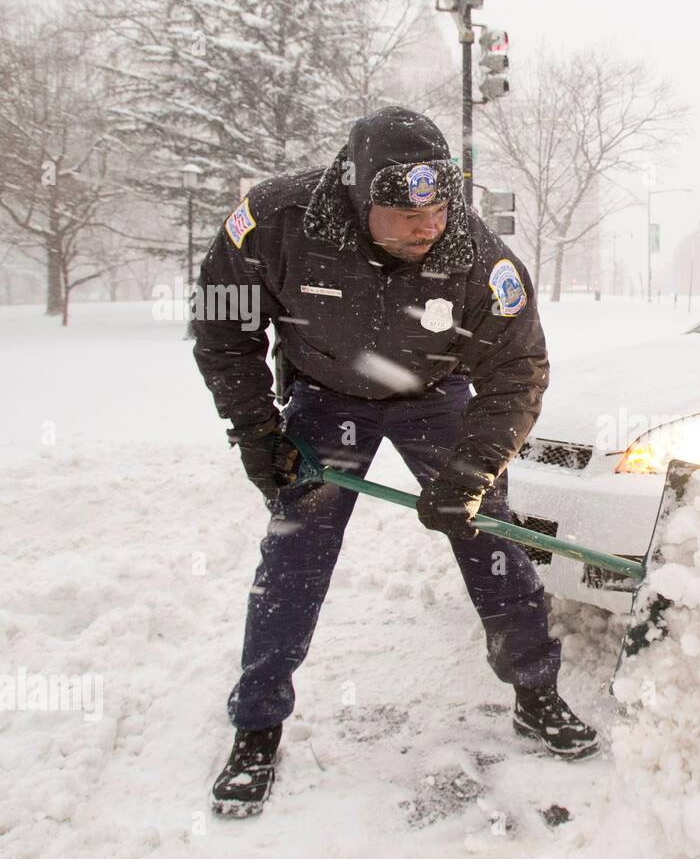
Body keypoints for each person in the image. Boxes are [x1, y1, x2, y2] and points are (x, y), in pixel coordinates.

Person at [192, 107, 598, 818]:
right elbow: (223, 327)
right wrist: (257, 431)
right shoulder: (273, 221)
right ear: (355, 198)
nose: (428, 226)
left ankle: (536, 693)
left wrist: (471, 472)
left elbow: (518, 372)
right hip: (325, 398)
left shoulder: (478, 259)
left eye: (439, 207)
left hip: (432, 396)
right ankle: (257, 723)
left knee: (490, 538)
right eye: (405, 214)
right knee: (295, 554)